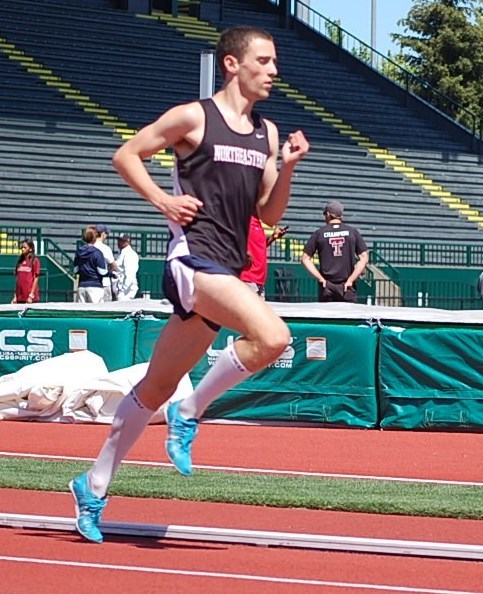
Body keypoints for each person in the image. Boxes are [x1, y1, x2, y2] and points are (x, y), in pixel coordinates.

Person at [68, 25, 309, 544]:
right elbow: (126, 155)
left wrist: (287, 168)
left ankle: (92, 485)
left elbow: (268, 213)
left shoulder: (266, 134)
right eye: (264, 61)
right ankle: (190, 410)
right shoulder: (193, 117)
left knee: (154, 387)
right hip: (192, 261)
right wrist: (163, 200)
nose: (274, 71)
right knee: (274, 337)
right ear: (232, 64)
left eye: (274, 62)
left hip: (228, 269)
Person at [300, 201, 368, 303]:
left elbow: (305, 259)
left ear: (328, 214)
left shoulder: (319, 233)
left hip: (327, 286)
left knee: (327, 313)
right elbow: (364, 258)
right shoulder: (352, 232)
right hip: (347, 287)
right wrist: (351, 280)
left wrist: (320, 278)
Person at [240, 215, 287, 298]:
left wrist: (273, 237)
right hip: (248, 279)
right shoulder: (244, 221)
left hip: (259, 280)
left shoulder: (257, 224)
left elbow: (259, 247)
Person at [74, 226, 109, 303]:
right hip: (95, 287)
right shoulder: (97, 253)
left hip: (82, 286)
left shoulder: (78, 252)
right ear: (95, 237)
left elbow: (76, 270)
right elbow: (102, 272)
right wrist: (112, 274)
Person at [93, 224, 118, 301]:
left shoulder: (88, 247)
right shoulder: (105, 248)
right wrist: (111, 272)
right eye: (106, 233)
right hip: (104, 283)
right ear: (103, 234)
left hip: (89, 282)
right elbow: (113, 265)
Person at [11, 239, 40, 304]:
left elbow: (36, 278)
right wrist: (15, 295)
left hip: (29, 299)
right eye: (22, 247)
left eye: (25, 247)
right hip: (19, 297)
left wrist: (31, 295)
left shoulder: (35, 261)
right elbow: (17, 279)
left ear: (30, 249)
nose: (22, 249)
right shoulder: (20, 261)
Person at [114, 233, 140, 300]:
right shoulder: (122, 253)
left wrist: (122, 290)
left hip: (126, 291)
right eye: (119, 240)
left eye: (122, 241)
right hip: (121, 288)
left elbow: (129, 274)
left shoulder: (130, 254)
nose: (119, 243)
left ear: (128, 242)